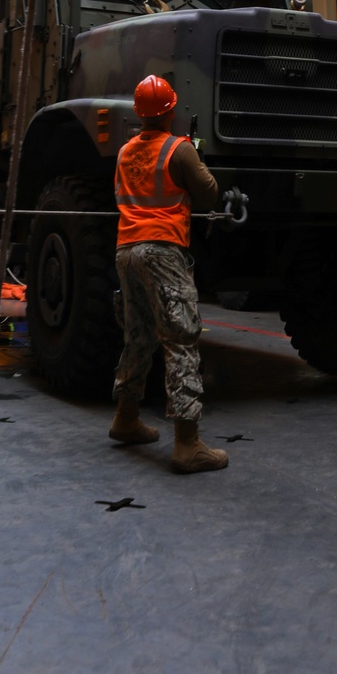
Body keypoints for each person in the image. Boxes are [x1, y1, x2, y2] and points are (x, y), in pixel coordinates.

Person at [110, 75, 228, 474]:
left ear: (139, 113)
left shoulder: (125, 152)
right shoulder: (179, 149)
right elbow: (209, 193)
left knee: (138, 336)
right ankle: (187, 443)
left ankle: (126, 418)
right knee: (180, 338)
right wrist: (196, 156)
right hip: (162, 250)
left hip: (127, 250)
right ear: (172, 111)